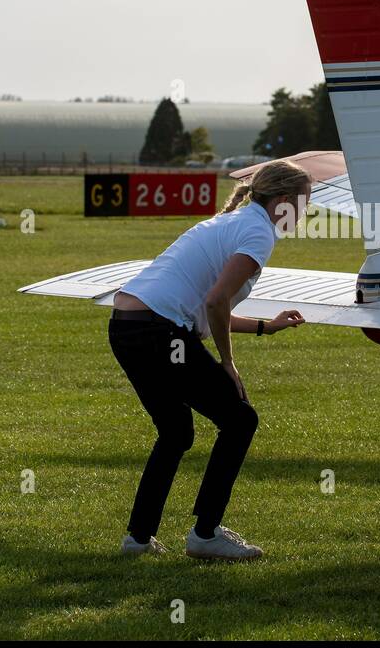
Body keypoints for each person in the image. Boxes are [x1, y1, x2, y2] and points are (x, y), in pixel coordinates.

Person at [110, 159, 312, 560]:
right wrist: (228, 363)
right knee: (240, 420)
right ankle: (205, 534)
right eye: (304, 205)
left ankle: (138, 539)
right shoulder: (257, 232)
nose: (305, 214)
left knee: (176, 432)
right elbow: (214, 301)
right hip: (159, 332)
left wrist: (263, 327)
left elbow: (204, 308)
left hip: (127, 327)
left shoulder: (231, 221)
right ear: (284, 201)